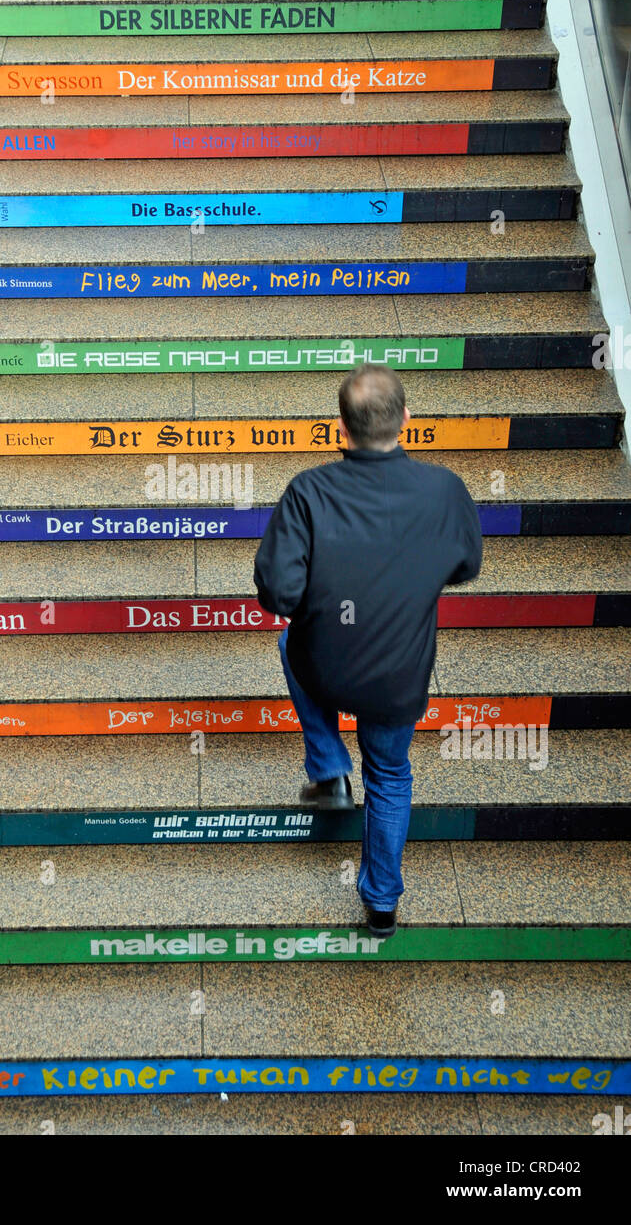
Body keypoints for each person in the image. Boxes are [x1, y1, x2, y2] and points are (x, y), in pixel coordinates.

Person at [253, 364, 483, 937]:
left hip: (326, 662)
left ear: (340, 428)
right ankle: (381, 904)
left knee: (289, 641)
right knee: (390, 773)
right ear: (407, 420)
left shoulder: (308, 492)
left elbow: (277, 595)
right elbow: (466, 565)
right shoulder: (445, 490)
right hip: (398, 678)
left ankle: (328, 767)